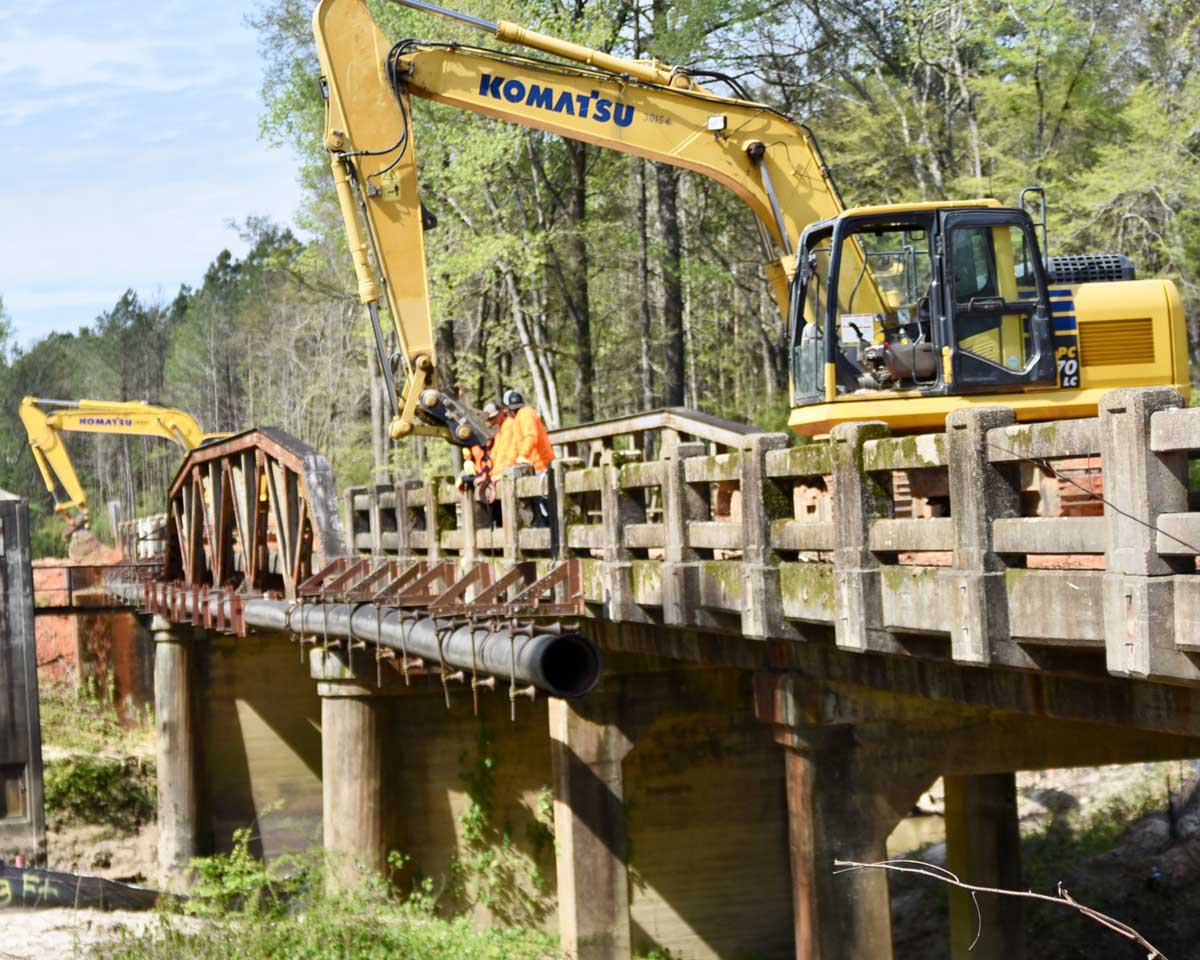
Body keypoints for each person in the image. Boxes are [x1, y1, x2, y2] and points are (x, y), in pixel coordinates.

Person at [501, 388, 555, 526]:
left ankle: (552, 543)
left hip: (541, 468)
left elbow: (531, 437)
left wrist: (522, 456)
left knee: (548, 509)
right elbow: (515, 446)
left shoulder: (526, 414)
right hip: (533, 469)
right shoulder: (516, 420)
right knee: (537, 511)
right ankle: (545, 544)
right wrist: (508, 465)